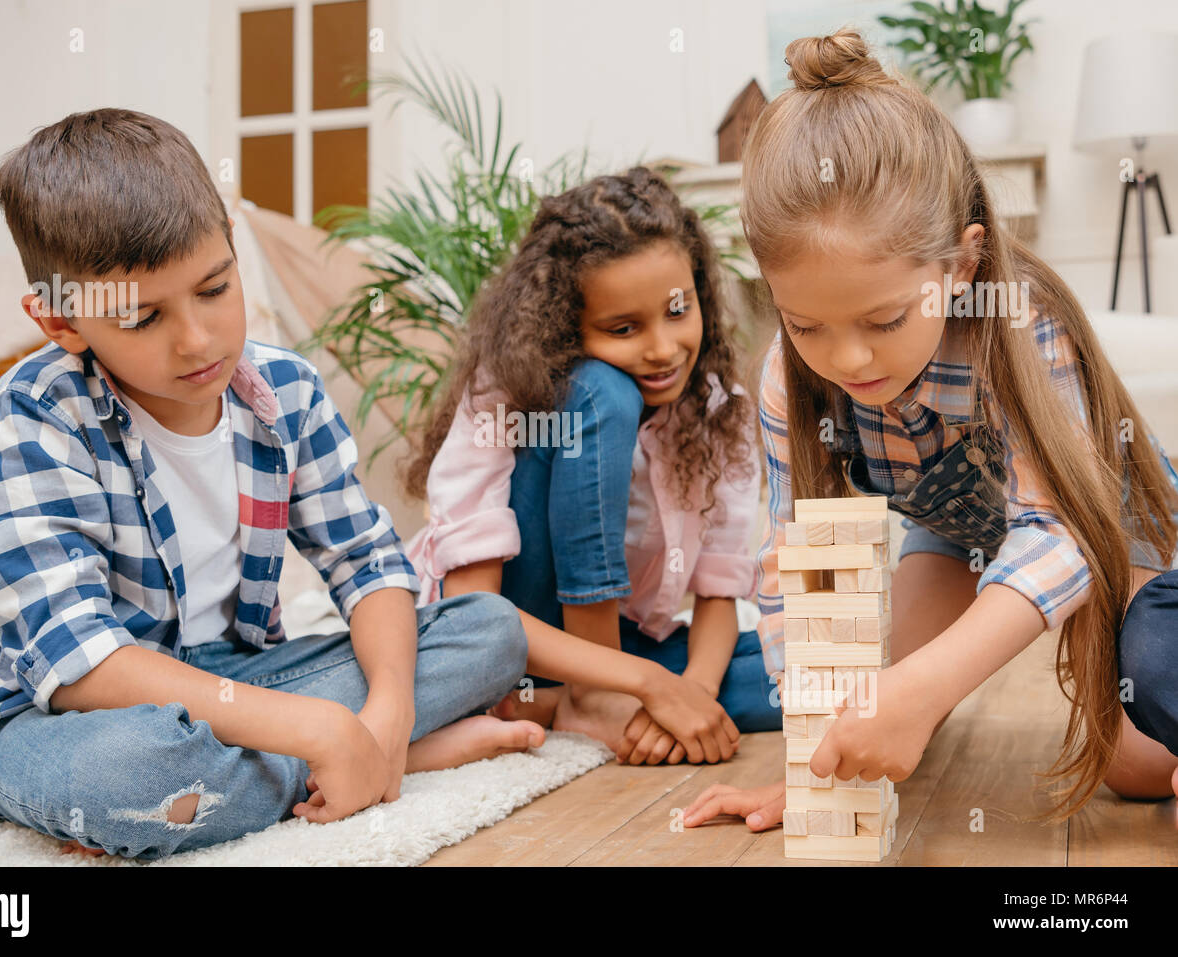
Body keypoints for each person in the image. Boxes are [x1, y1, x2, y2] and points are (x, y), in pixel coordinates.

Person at [0, 108, 543, 859]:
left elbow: (367, 564)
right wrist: (315, 725)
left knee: (489, 629)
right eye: (143, 317)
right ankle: (350, 756)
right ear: (62, 324)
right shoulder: (31, 421)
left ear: (233, 250)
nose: (198, 339)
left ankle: (374, 750)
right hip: (60, 711)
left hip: (234, 678)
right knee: (133, 775)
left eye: (214, 288)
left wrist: (391, 709)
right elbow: (80, 665)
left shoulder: (285, 390)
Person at [685, 28, 1178, 833]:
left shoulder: (1018, 325)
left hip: (1106, 529)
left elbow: (1060, 535)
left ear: (960, 264)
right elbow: (789, 580)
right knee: (885, 700)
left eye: (883, 319)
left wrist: (927, 684)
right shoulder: (788, 376)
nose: (847, 359)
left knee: (1138, 766)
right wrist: (815, 766)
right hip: (957, 535)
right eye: (806, 323)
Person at [406, 167, 780, 766]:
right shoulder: (506, 394)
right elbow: (474, 615)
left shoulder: (719, 411)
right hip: (499, 637)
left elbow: (718, 594)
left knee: (810, 677)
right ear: (564, 327)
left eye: (677, 311)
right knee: (603, 392)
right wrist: (625, 686)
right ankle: (582, 696)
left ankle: (565, 703)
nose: (662, 348)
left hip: (626, 645)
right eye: (623, 328)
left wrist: (691, 698)